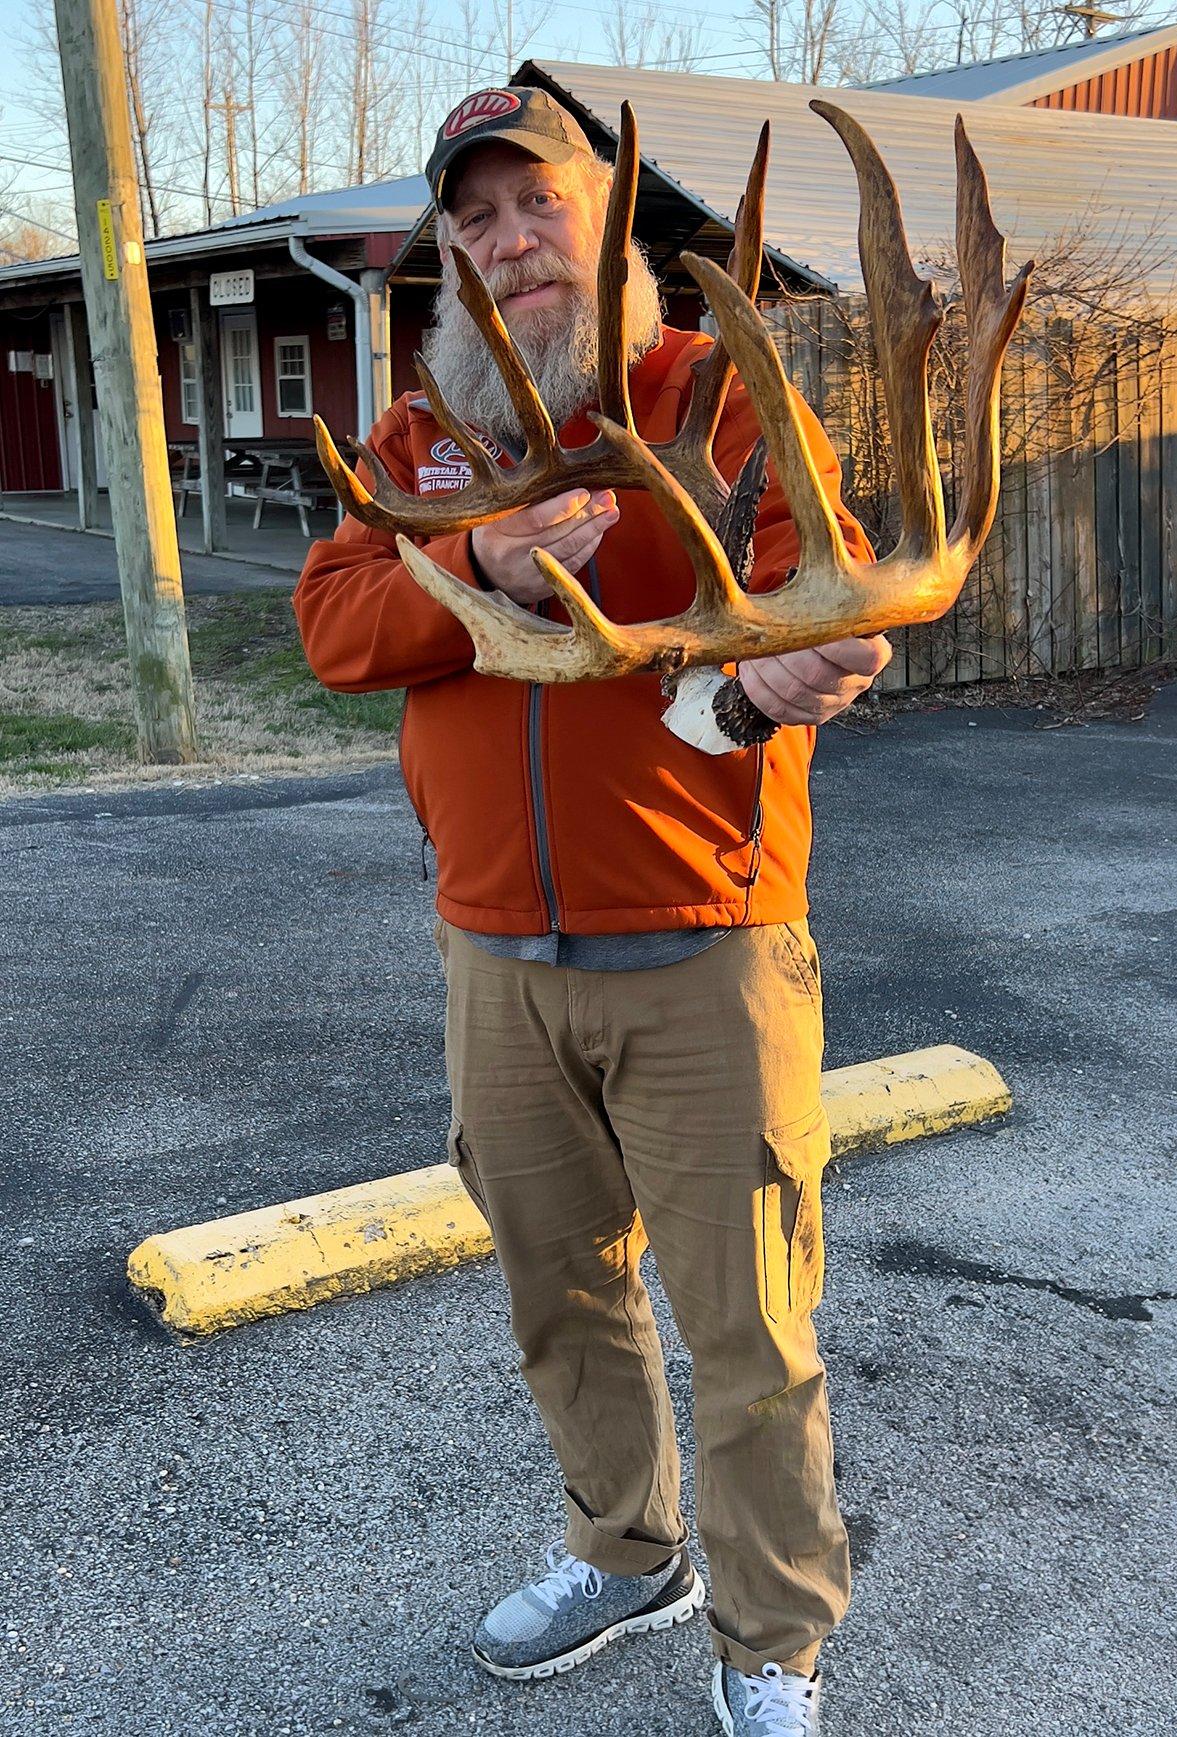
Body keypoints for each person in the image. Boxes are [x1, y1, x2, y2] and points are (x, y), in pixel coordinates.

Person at [294, 83, 891, 1737]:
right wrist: (475, 568)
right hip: (493, 952)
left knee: (751, 1325)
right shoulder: (429, 439)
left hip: (708, 951)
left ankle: (773, 1643)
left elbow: (814, 586)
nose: (505, 241)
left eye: (533, 204)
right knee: (558, 1285)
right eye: (470, 219)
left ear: (614, 219)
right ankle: (627, 1551)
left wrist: (782, 672)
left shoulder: (724, 393)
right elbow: (335, 626)